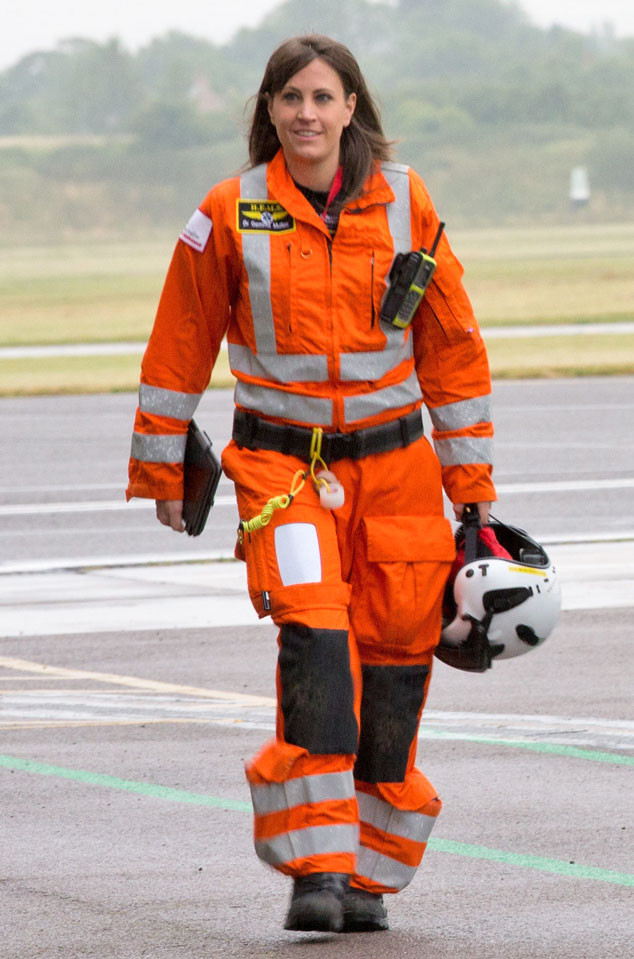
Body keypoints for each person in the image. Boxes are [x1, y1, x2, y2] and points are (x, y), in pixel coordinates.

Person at [127, 34, 495, 934]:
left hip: (399, 474)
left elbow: (452, 351)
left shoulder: (407, 202)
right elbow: (180, 342)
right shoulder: (229, 210)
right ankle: (316, 869)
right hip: (283, 472)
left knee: (397, 661)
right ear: (269, 109)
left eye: (323, 97)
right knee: (319, 647)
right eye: (290, 97)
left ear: (350, 107)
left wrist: (474, 493)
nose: (306, 114)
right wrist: (161, 466)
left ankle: (368, 875)